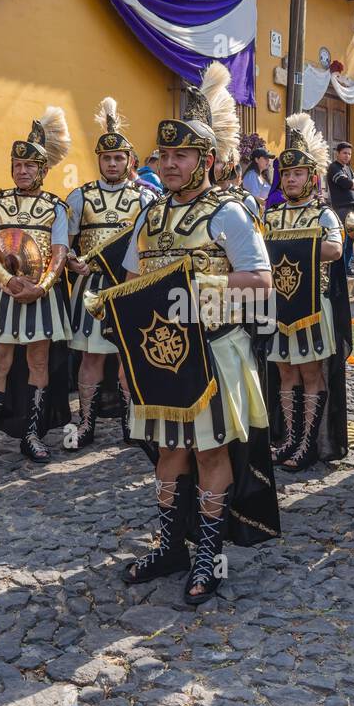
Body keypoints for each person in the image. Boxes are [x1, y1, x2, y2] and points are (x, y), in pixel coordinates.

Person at [114, 61, 275, 605]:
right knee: (168, 451)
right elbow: (134, 284)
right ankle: (170, 544)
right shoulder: (150, 216)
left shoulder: (230, 213)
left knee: (209, 451)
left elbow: (260, 282)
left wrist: (198, 281)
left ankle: (209, 551)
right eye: (164, 155)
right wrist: (125, 351)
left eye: (182, 155)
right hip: (159, 357)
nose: (171, 164)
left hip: (214, 352)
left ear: (206, 160)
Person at [0, 107, 72, 473]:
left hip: (41, 294)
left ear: (42, 170)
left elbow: (59, 251)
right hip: (3, 292)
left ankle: (31, 433)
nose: (22, 171)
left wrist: (41, 287)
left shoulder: (57, 207)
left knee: (39, 362)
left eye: (29, 166)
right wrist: (6, 280)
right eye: (16, 165)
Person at [64, 97, 155, 449]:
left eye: (119, 158)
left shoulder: (146, 198)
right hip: (92, 288)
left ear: (130, 161)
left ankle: (132, 421)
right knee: (92, 356)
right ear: (99, 160)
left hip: (131, 286)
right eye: (107, 158)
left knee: (128, 355)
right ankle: (85, 422)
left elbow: (150, 245)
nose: (113, 163)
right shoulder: (79, 197)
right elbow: (66, 246)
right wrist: (74, 262)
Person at [265, 113, 347, 471]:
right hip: (279, 307)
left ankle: (309, 442)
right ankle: (290, 437)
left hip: (313, 305)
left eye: (297, 173)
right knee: (285, 372)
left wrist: (291, 245)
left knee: (311, 372)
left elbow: (335, 250)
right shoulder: (271, 215)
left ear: (311, 178)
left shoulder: (324, 214)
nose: (290, 179)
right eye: (285, 173)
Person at [328, 142, 354, 267]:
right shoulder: (334, 167)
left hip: (352, 207)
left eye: (349, 154)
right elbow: (347, 184)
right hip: (341, 208)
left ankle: (348, 267)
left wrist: (352, 183)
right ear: (338, 153)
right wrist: (352, 183)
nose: (347, 156)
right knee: (344, 239)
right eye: (345, 153)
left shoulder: (348, 168)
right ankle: (342, 269)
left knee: (352, 238)